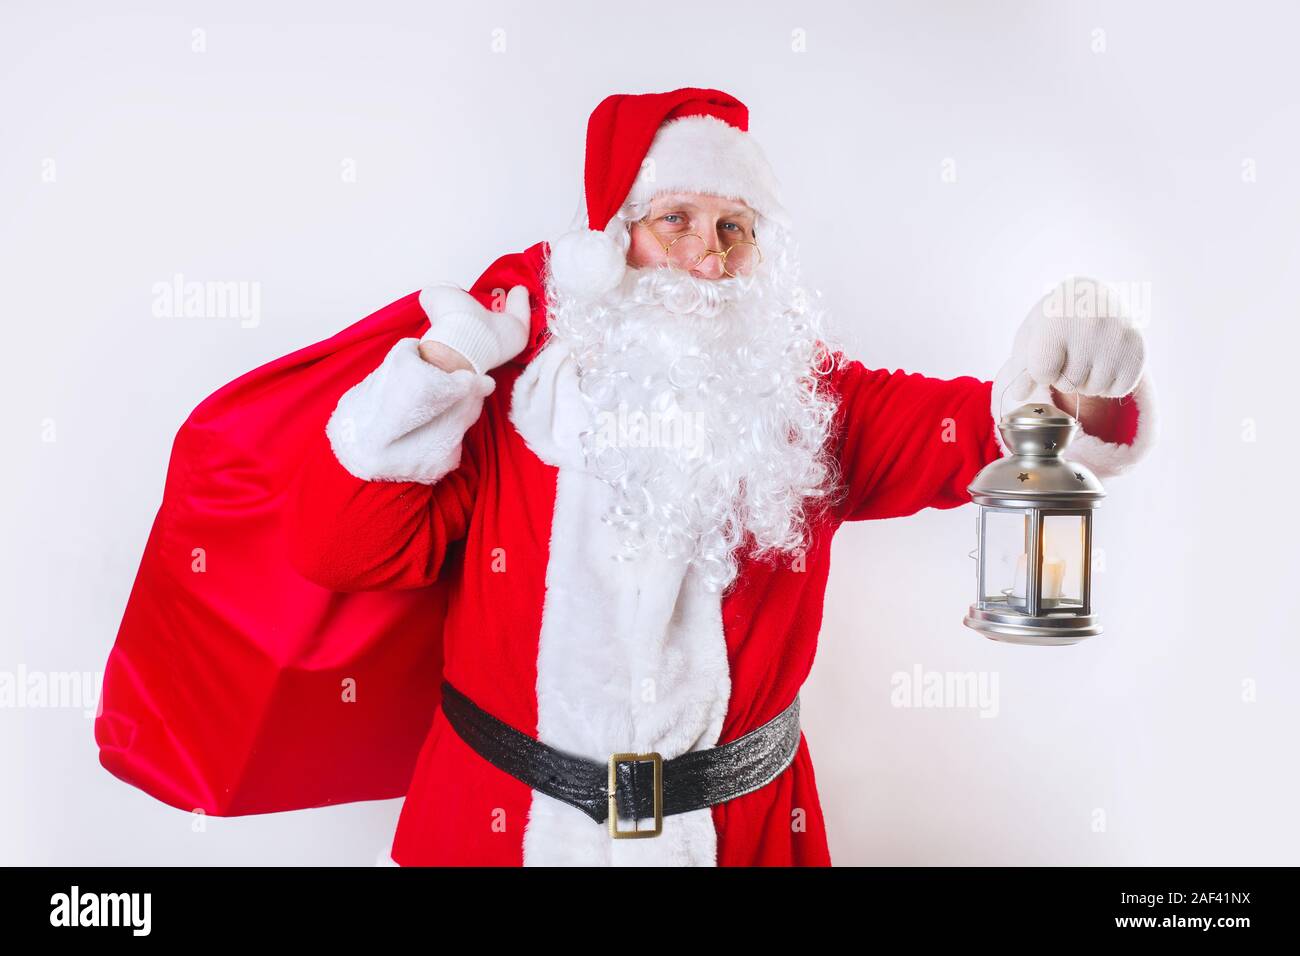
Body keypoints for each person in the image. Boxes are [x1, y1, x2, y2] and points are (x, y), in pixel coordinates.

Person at [283, 87, 1157, 866]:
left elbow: (985, 428)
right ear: (613, 243)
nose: (710, 259)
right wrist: (443, 365)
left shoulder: (814, 407)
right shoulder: (514, 400)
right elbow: (340, 550)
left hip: (740, 837)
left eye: (734, 229)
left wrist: (1069, 365)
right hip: (497, 830)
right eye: (677, 221)